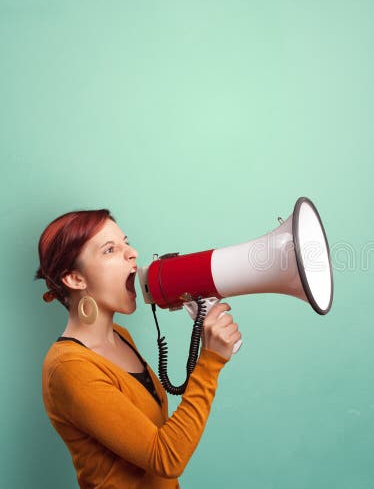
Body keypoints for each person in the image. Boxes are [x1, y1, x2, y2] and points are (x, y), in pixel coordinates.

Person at [37, 209, 242, 488]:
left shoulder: (120, 336)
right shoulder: (69, 368)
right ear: (75, 279)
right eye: (110, 250)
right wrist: (210, 361)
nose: (132, 253)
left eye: (126, 242)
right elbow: (166, 458)